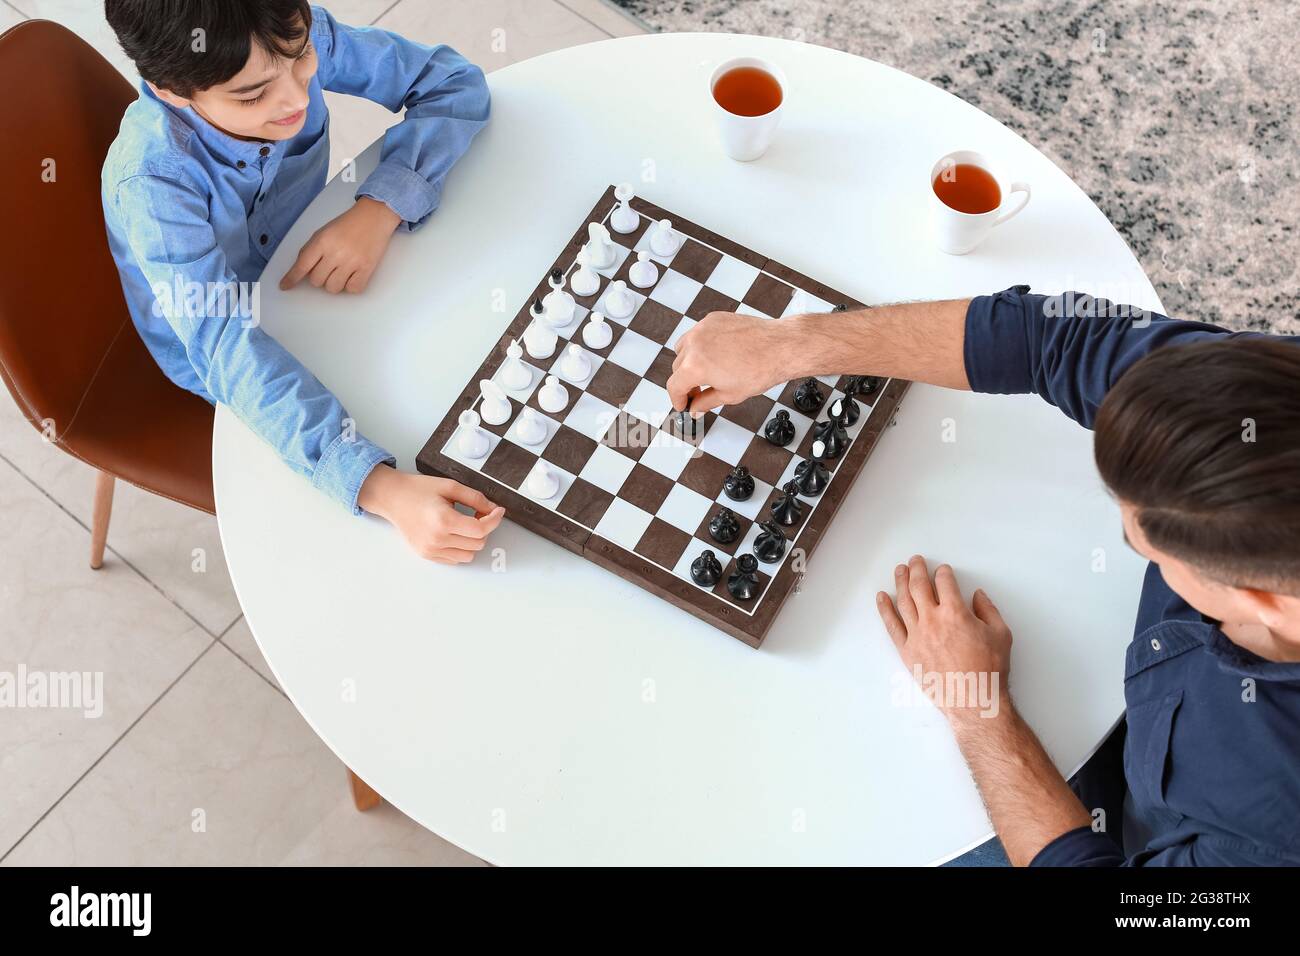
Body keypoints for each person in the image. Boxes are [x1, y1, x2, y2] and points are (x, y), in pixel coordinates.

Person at [666, 286, 1300, 866]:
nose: (1129, 541)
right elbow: (1055, 338)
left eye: (1150, 547)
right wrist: (790, 344)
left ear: (1260, 600)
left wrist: (980, 710)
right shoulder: (1270, 405)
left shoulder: (1267, 828)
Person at [102, 1, 503, 564]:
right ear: (171, 90)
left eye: (304, 58)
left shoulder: (279, 32)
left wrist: (380, 207)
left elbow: (452, 82)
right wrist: (379, 488)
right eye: (252, 96)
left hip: (316, 278)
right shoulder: (153, 184)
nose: (295, 98)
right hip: (229, 347)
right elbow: (223, 345)